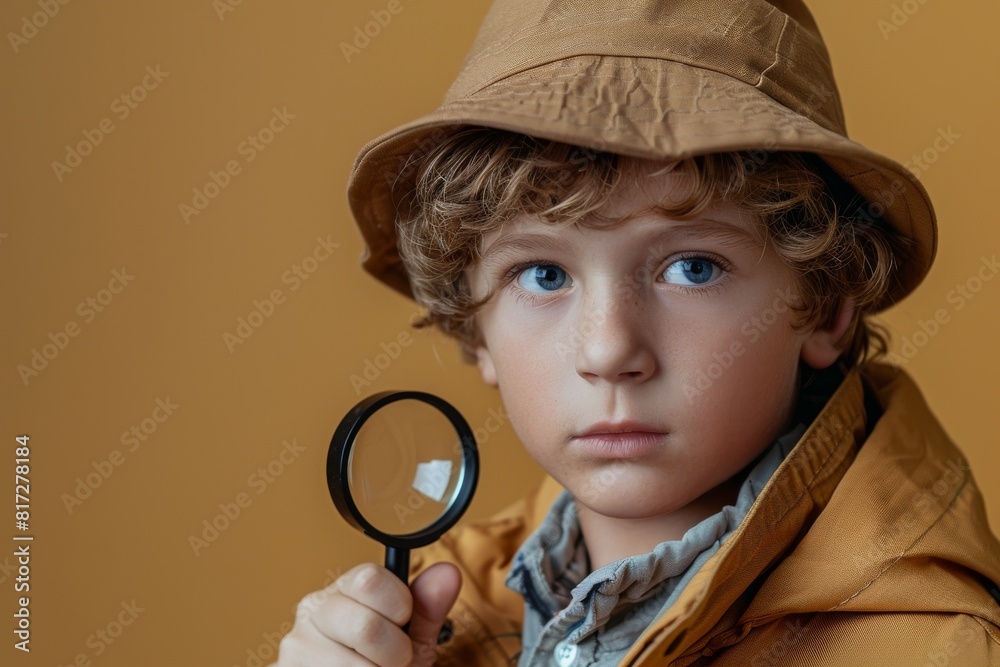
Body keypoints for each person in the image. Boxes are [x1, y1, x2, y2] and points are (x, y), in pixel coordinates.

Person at [274, 0, 1000, 664]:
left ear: (828, 303)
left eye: (692, 267)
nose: (608, 350)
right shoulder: (442, 614)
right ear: (475, 329)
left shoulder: (937, 648)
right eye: (543, 275)